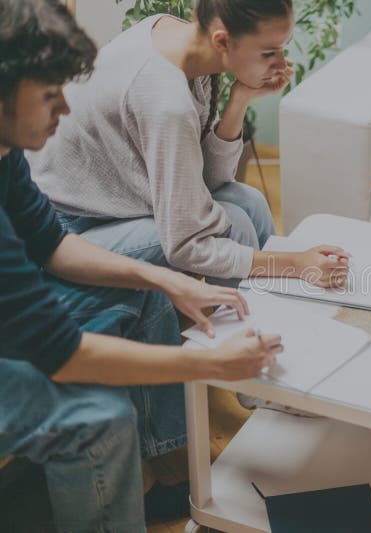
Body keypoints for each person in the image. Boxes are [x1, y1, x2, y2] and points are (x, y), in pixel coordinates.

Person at [0, 1, 284, 529]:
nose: (65, 110)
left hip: (69, 243)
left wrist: (163, 277)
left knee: (174, 264)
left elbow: (51, 245)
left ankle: (174, 453)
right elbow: (61, 352)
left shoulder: (6, 156)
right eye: (48, 95)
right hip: (33, 304)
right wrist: (211, 363)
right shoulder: (162, 93)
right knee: (98, 419)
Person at [30, 0, 350, 289]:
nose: (280, 62)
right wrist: (294, 264)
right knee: (234, 224)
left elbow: (210, 178)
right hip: (70, 228)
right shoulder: (166, 100)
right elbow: (186, 244)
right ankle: (240, 334)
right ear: (222, 40)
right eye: (268, 52)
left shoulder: (182, 40)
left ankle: (275, 305)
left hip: (121, 200)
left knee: (247, 200)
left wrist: (240, 99)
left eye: (283, 48)